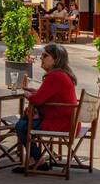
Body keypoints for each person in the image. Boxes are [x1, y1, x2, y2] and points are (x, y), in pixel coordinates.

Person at [11, 43, 79, 173]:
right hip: (69, 121)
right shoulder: (62, 74)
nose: (41, 58)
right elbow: (47, 95)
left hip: (60, 123)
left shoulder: (54, 76)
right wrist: (35, 92)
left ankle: (37, 159)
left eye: (45, 55)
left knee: (21, 126)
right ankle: (32, 159)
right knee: (25, 123)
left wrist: (27, 94)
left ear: (55, 59)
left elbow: (37, 100)